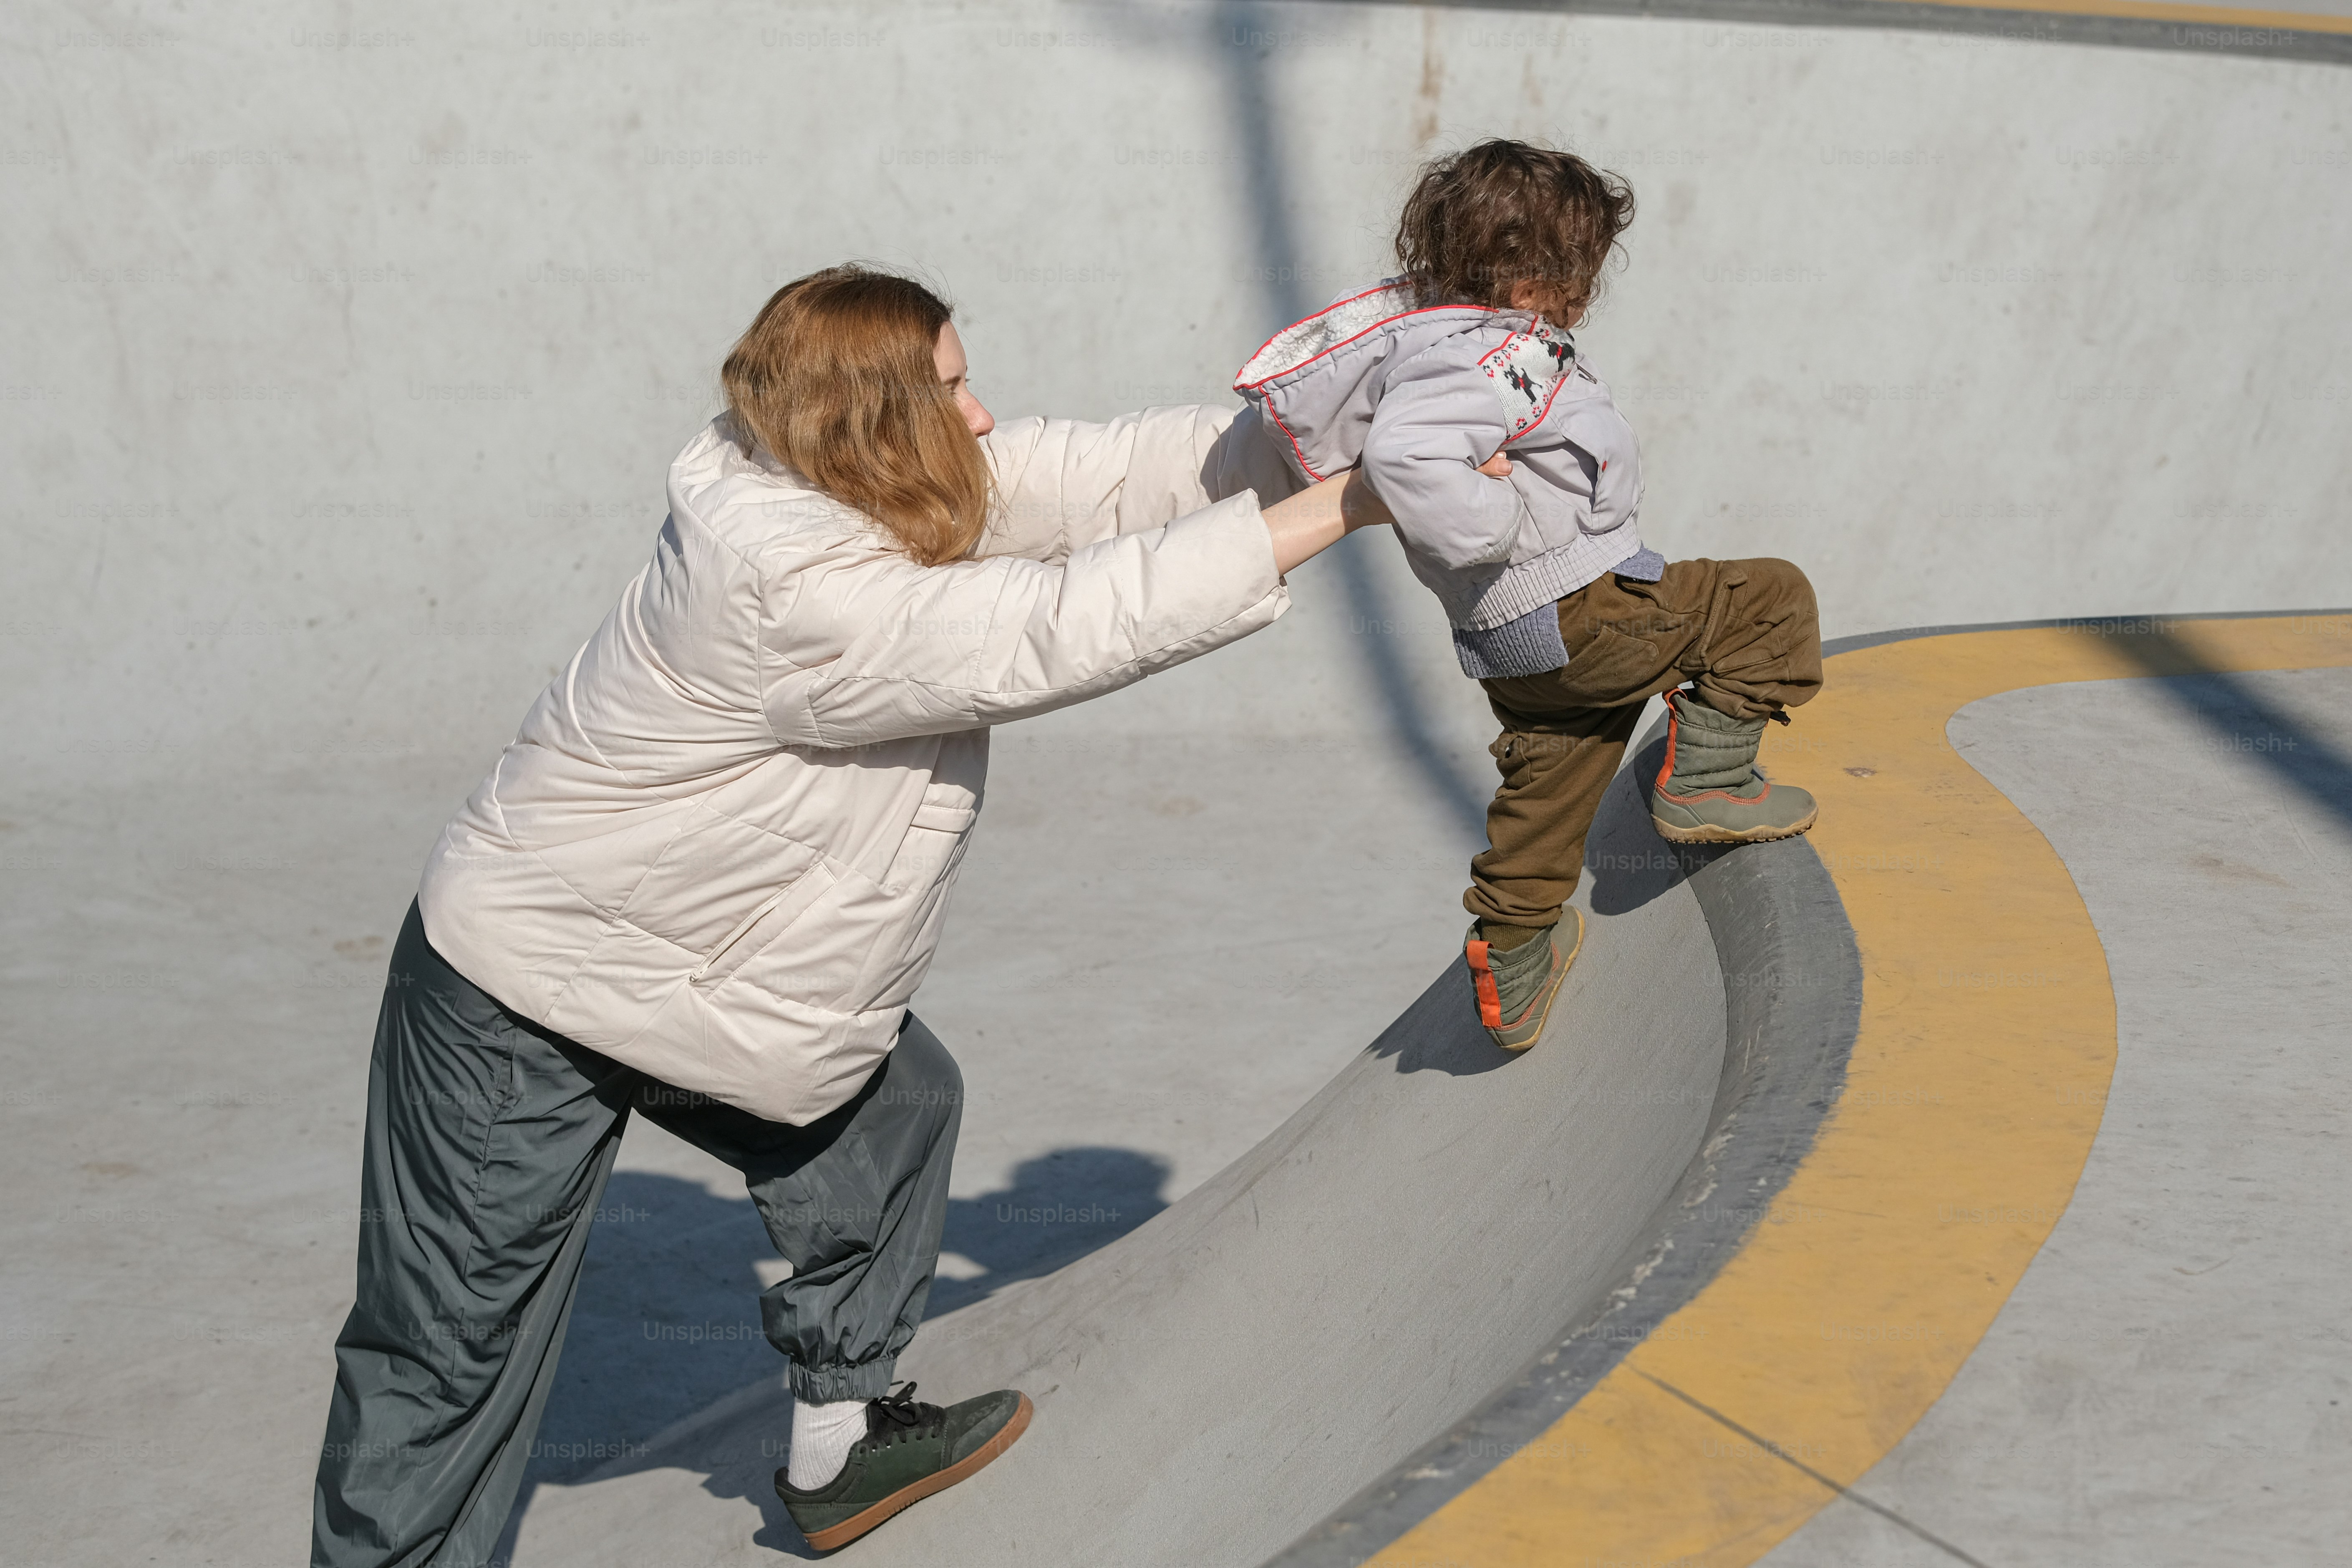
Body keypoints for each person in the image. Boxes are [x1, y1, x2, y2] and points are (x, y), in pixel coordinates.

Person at [311, 264, 1388, 1563]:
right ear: (873, 422)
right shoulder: (791, 590)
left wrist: (1314, 424)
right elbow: (1058, 622)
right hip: (518, 986)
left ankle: (841, 1438)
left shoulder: (836, 477)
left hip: (684, 964)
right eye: (950, 389)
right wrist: (1354, 502)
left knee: (893, 1106)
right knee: (448, 1350)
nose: (981, 416)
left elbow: (1078, 478)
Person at [1227, 139, 1824, 1052]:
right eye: (1577, 273)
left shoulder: (1434, 339)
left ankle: (1516, 954)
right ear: (1525, 274)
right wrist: (1490, 524)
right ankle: (1706, 777)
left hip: (1513, 645)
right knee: (1768, 603)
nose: (1586, 295)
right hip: (1583, 608)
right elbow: (1404, 457)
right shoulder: (1494, 353)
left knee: (1555, 774)